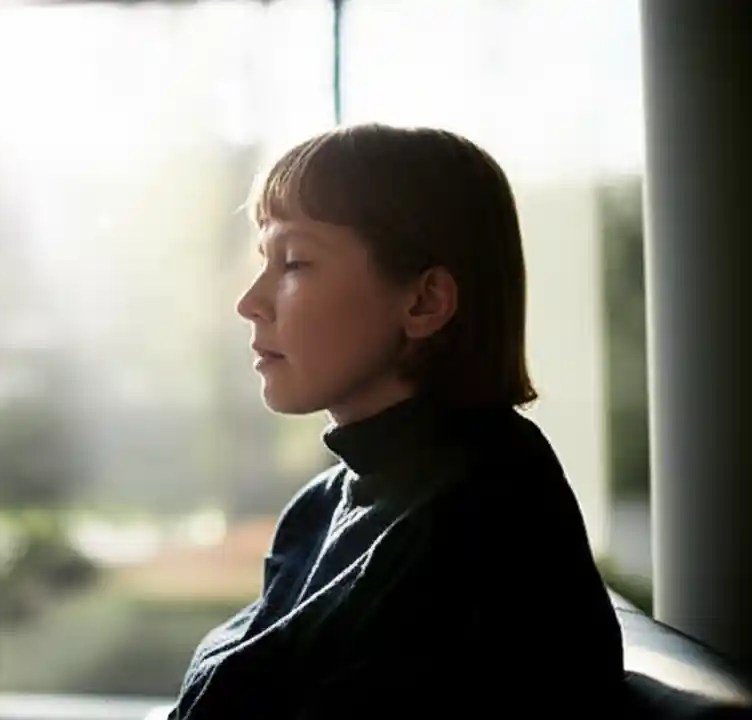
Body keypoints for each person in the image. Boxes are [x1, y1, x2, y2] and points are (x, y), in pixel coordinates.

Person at [167, 124, 625, 718]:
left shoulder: (482, 520)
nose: (250, 301)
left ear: (425, 302)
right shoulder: (323, 505)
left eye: (295, 262)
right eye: (264, 259)